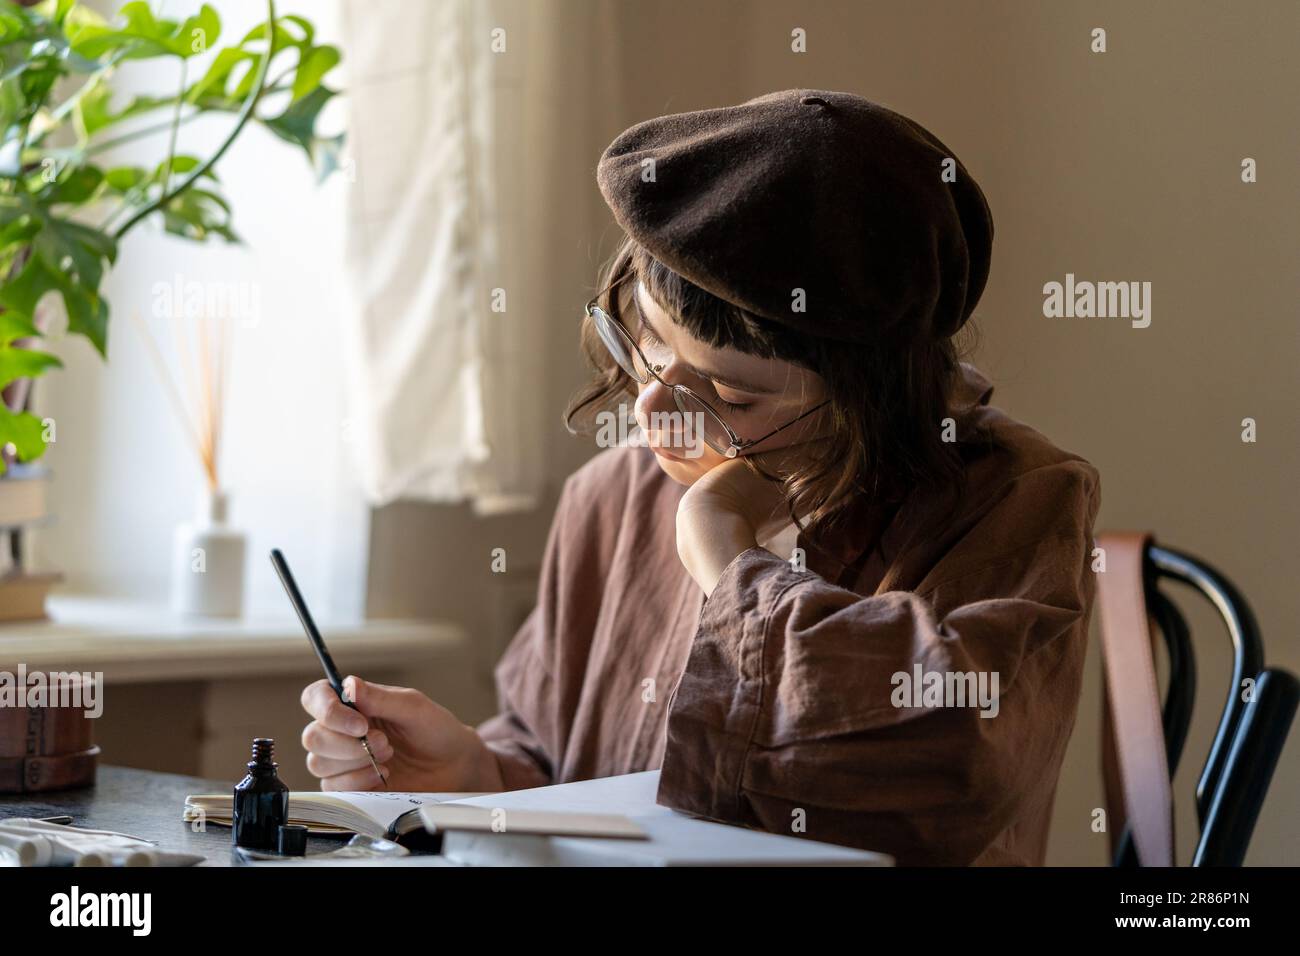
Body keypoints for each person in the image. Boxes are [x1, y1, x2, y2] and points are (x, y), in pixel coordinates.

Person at [300, 89, 1101, 866]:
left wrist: (725, 557)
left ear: (872, 397)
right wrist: (477, 775)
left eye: (733, 394)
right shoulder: (613, 496)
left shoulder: (1015, 498)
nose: (653, 407)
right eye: (647, 341)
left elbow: (936, 770)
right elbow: (558, 756)